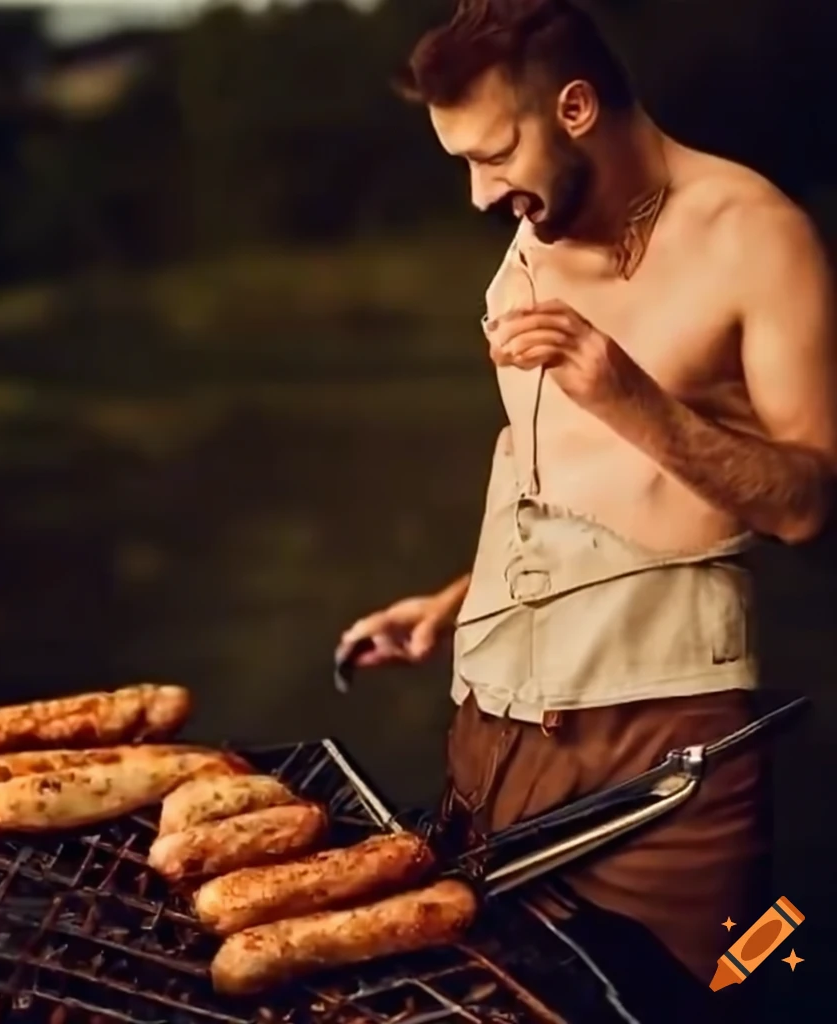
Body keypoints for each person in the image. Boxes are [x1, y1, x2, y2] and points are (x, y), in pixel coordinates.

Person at [335, 0, 837, 991]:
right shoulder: (532, 232)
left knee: (715, 993)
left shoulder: (754, 234)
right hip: (491, 732)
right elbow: (551, 460)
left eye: (491, 156)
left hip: (662, 746)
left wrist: (628, 393)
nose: (479, 195)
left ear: (573, 107)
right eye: (460, 164)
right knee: (491, 996)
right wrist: (456, 598)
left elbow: (808, 503)